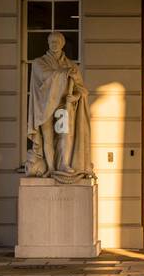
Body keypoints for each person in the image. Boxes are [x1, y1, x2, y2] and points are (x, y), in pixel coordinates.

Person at [25, 31, 93, 182]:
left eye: (57, 42)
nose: (54, 44)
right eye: (52, 42)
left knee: (65, 135)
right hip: (45, 107)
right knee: (48, 138)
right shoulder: (39, 62)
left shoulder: (71, 65)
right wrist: (66, 73)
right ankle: (51, 168)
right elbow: (46, 75)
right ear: (48, 44)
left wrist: (75, 95)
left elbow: (81, 89)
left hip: (63, 105)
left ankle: (63, 164)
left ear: (63, 44)